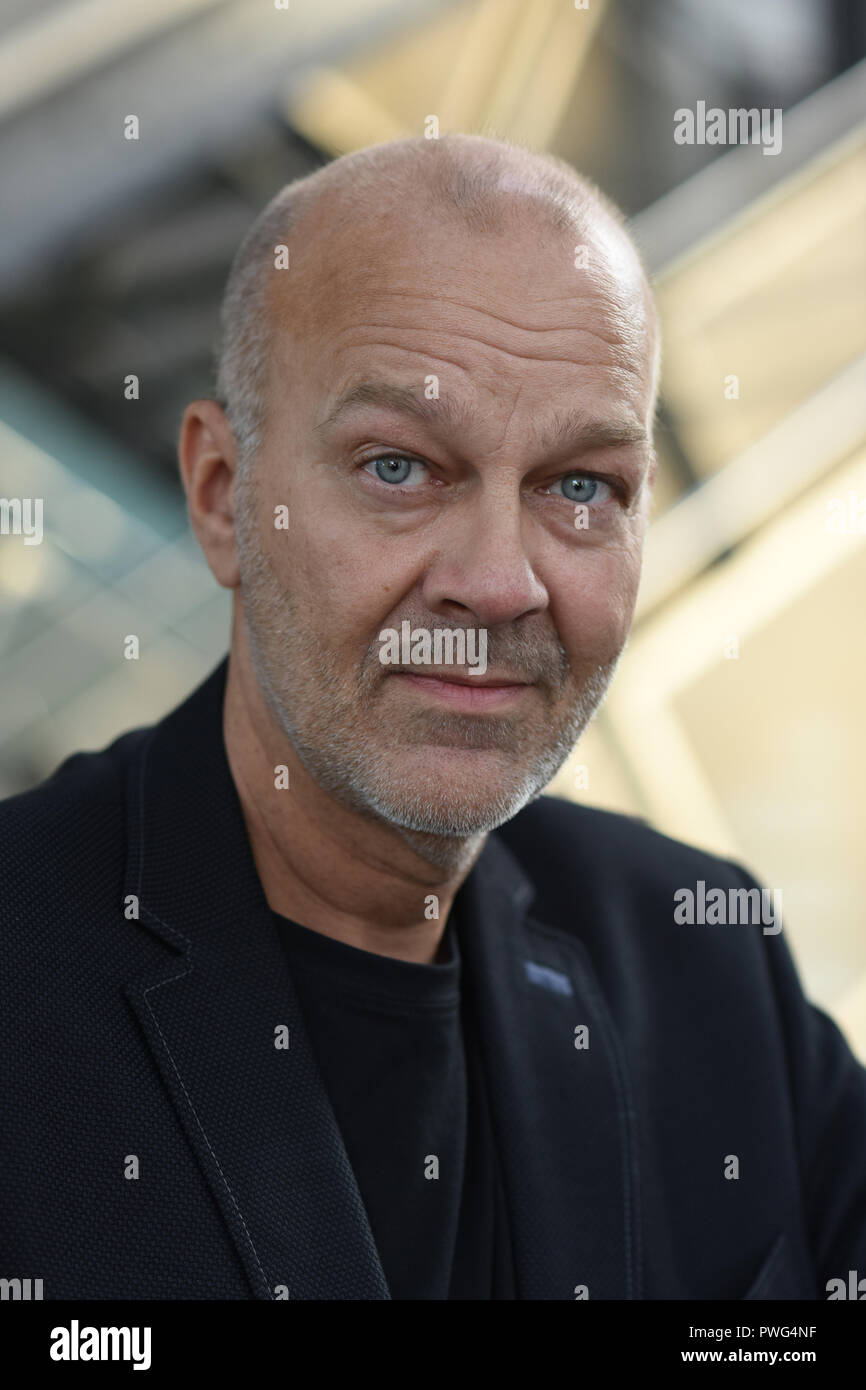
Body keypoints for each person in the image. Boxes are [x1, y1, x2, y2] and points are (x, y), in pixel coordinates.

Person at [1, 134, 864, 1300]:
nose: (499, 582)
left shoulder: (703, 967)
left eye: (580, 487)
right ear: (222, 496)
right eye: (399, 468)